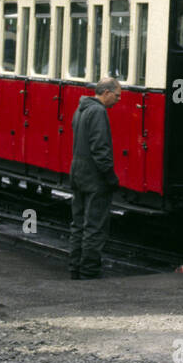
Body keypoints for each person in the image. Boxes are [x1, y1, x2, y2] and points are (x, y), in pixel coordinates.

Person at [68, 76, 121, 279]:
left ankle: (75, 268)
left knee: (78, 224)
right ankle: (89, 272)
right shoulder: (98, 112)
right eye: (116, 96)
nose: (118, 100)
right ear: (106, 93)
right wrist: (110, 176)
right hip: (94, 177)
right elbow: (100, 147)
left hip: (78, 172)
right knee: (94, 226)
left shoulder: (80, 109)